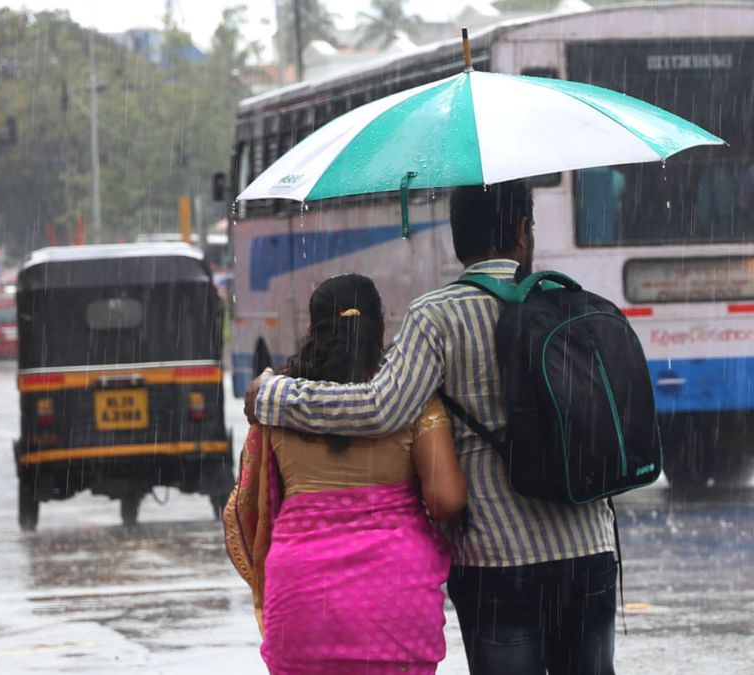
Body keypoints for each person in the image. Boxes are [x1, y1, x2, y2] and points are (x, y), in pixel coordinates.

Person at [246, 180, 618, 675]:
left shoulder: (436, 315)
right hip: (588, 547)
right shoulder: (569, 302)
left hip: (498, 561)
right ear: (525, 234)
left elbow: (381, 409)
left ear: (456, 238)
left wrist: (275, 394)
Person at [225, 274, 465, 675]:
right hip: (395, 595)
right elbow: (446, 499)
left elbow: (254, 502)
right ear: (381, 329)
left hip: (300, 596)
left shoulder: (276, 404)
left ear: (311, 331)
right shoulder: (414, 403)